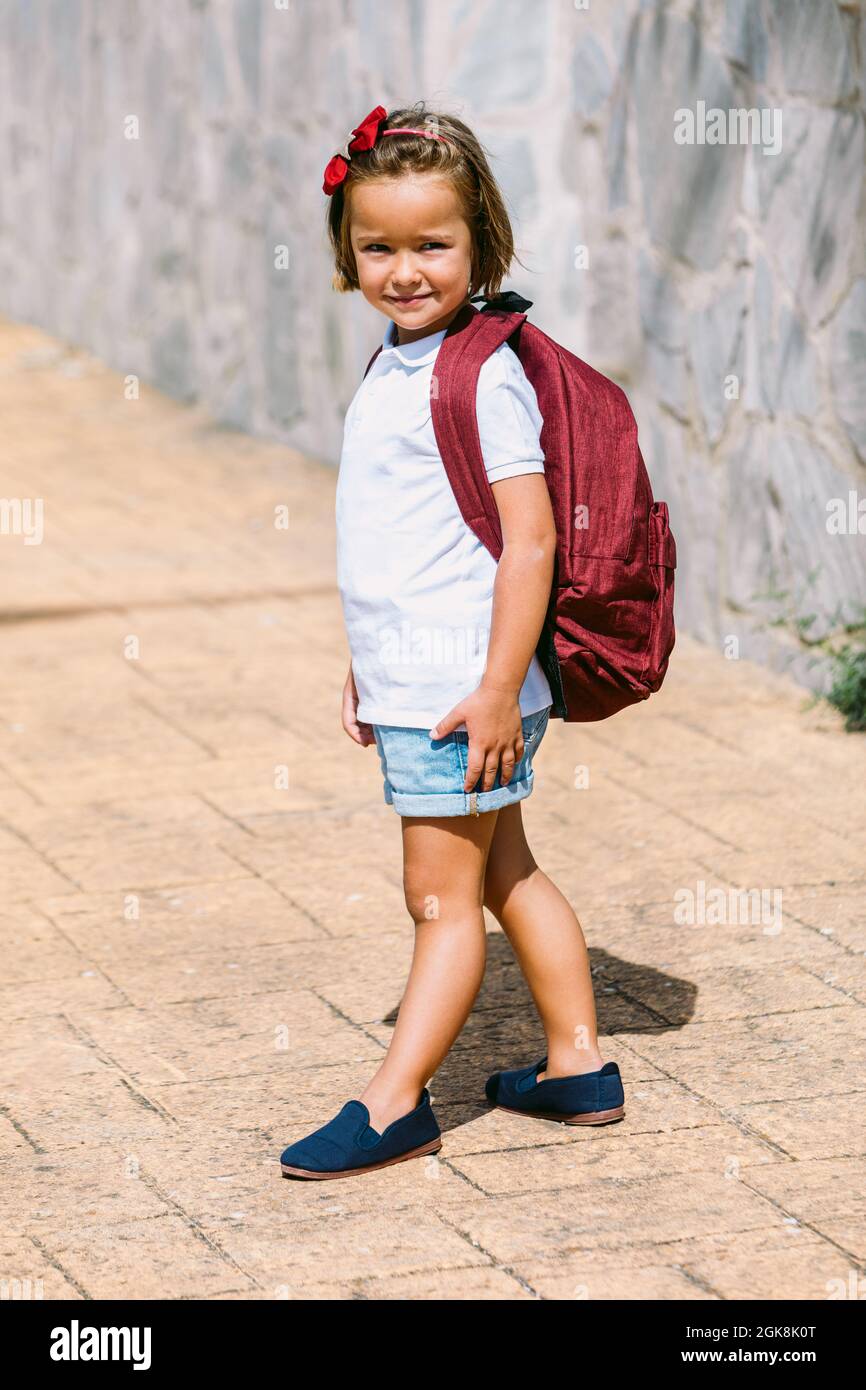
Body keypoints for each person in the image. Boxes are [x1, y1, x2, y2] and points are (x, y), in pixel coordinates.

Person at [280, 103, 624, 1181]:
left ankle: (393, 1104)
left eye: (432, 244)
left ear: (480, 241)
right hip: (423, 676)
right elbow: (407, 544)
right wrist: (364, 662)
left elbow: (526, 545)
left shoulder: (483, 373)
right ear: (346, 251)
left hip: (457, 693)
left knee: (435, 902)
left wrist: (487, 689)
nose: (404, 269)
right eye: (377, 246)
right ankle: (574, 1063)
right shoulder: (396, 364)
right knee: (502, 867)